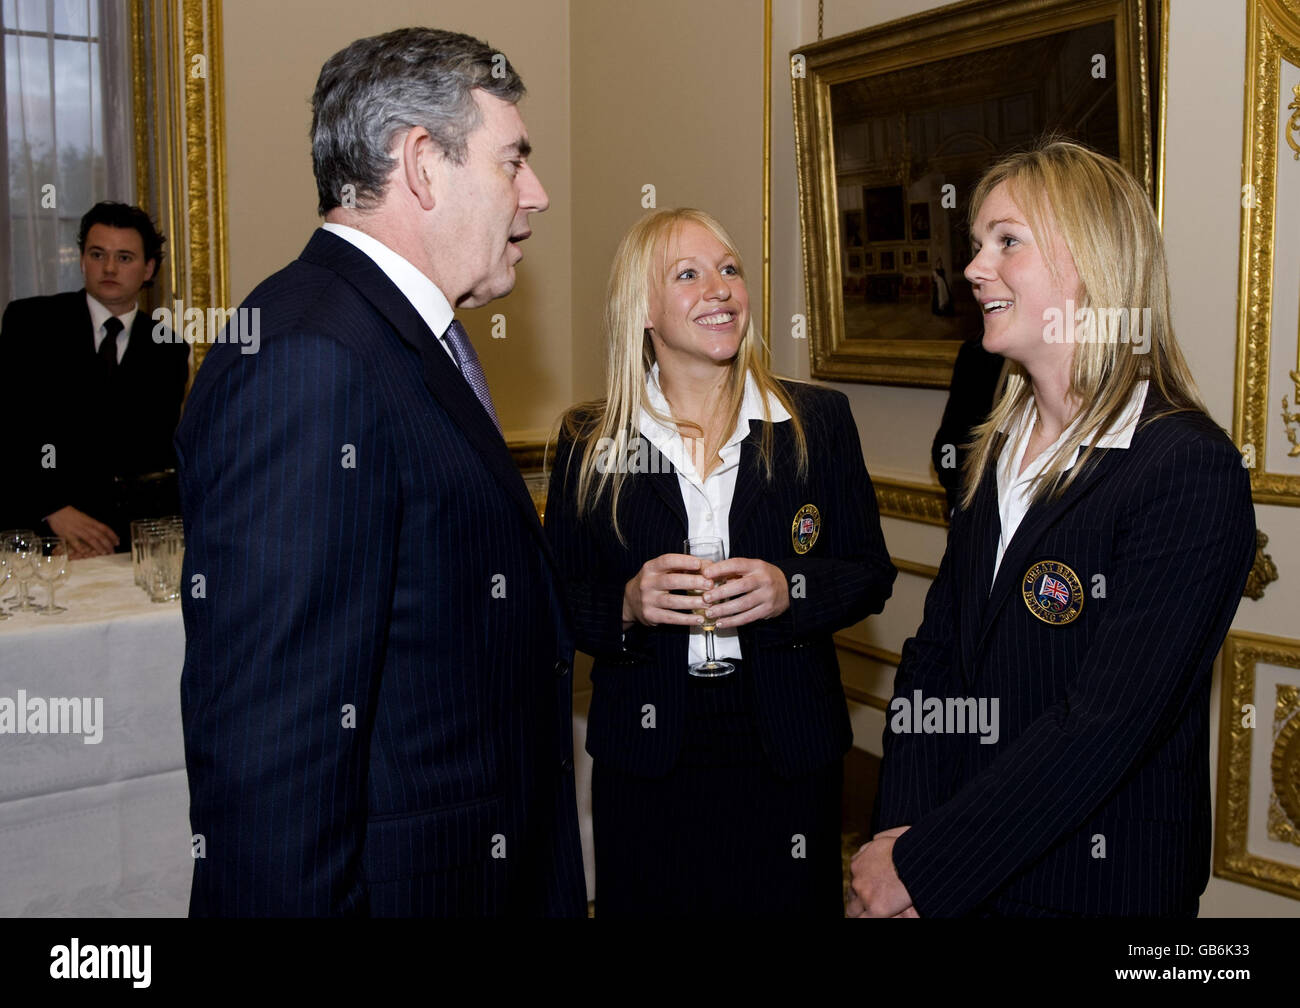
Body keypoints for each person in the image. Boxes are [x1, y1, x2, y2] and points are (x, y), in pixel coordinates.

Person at [177, 28, 584, 917]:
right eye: (514, 160)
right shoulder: (311, 359)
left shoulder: (387, 333)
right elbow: (273, 764)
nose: (537, 194)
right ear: (423, 164)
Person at [852, 140, 1256, 918]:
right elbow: (936, 659)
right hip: (958, 864)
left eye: (1007, 242)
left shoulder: (1184, 468)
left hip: (1091, 884)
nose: (973, 269)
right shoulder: (996, 446)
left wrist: (922, 865)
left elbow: (1102, 726)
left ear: (1089, 264)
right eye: (976, 245)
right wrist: (900, 836)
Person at [546, 208, 896, 916]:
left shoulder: (817, 421)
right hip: (646, 752)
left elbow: (869, 571)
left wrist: (787, 588)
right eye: (688, 274)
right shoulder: (590, 437)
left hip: (786, 746)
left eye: (729, 269)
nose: (720, 288)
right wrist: (625, 603)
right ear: (642, 309)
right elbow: (553, 595)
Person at [0, 202, 187, 556]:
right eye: (98, 254)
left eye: (125, 257)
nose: (110, 267)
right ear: (82, 260)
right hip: (32, 535)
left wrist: (101, 539)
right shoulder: (30, 323)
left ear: (148, 269)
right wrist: (52, 511)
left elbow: (148, 460)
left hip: (116, 544)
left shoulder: (168, 350)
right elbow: (11, 432)